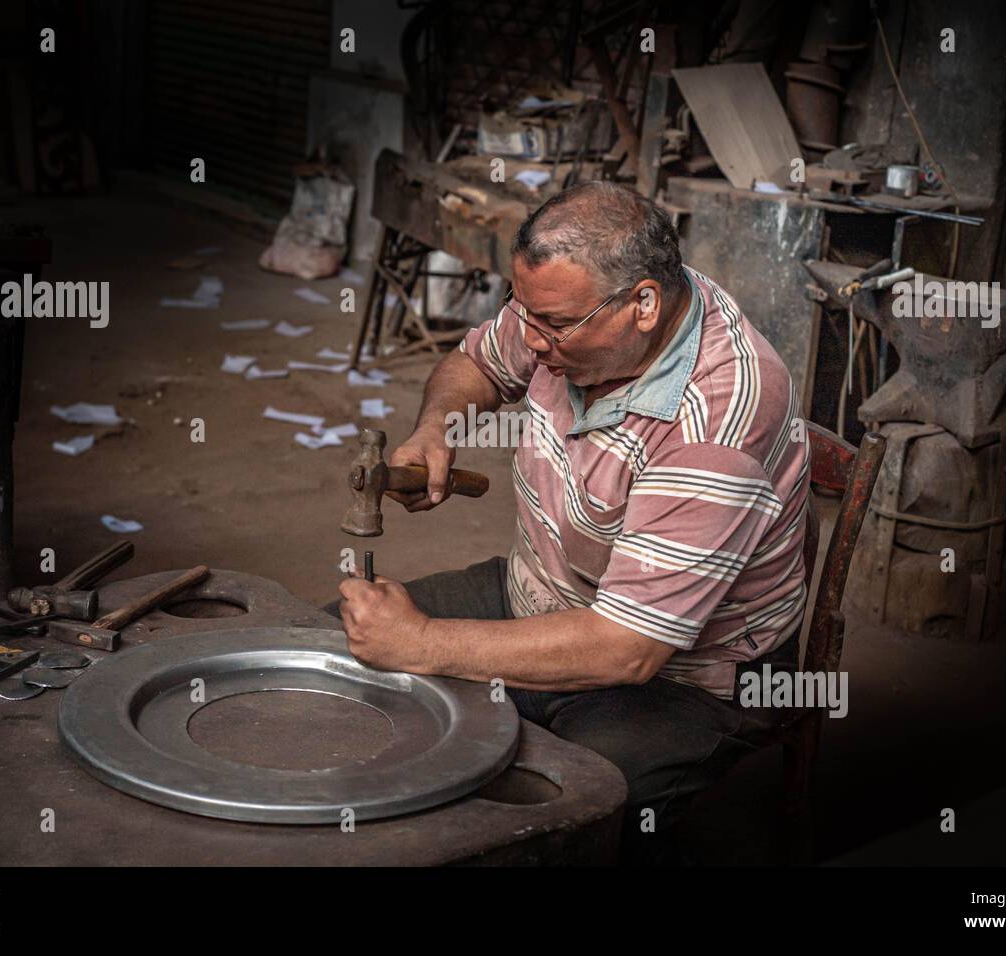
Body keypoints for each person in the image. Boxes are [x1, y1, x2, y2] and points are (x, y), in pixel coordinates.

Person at [326, 181, 809, 861]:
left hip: (685, 676)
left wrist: (424, 642)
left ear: (643, 304)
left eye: (551, 325)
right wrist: (437, 426)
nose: (530, 339)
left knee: (572, 812)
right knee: (327, 642)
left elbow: (627, 648)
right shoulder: (570, 306)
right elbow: (475, 363)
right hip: (544, 594)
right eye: (523, 312)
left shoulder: (718, 421)